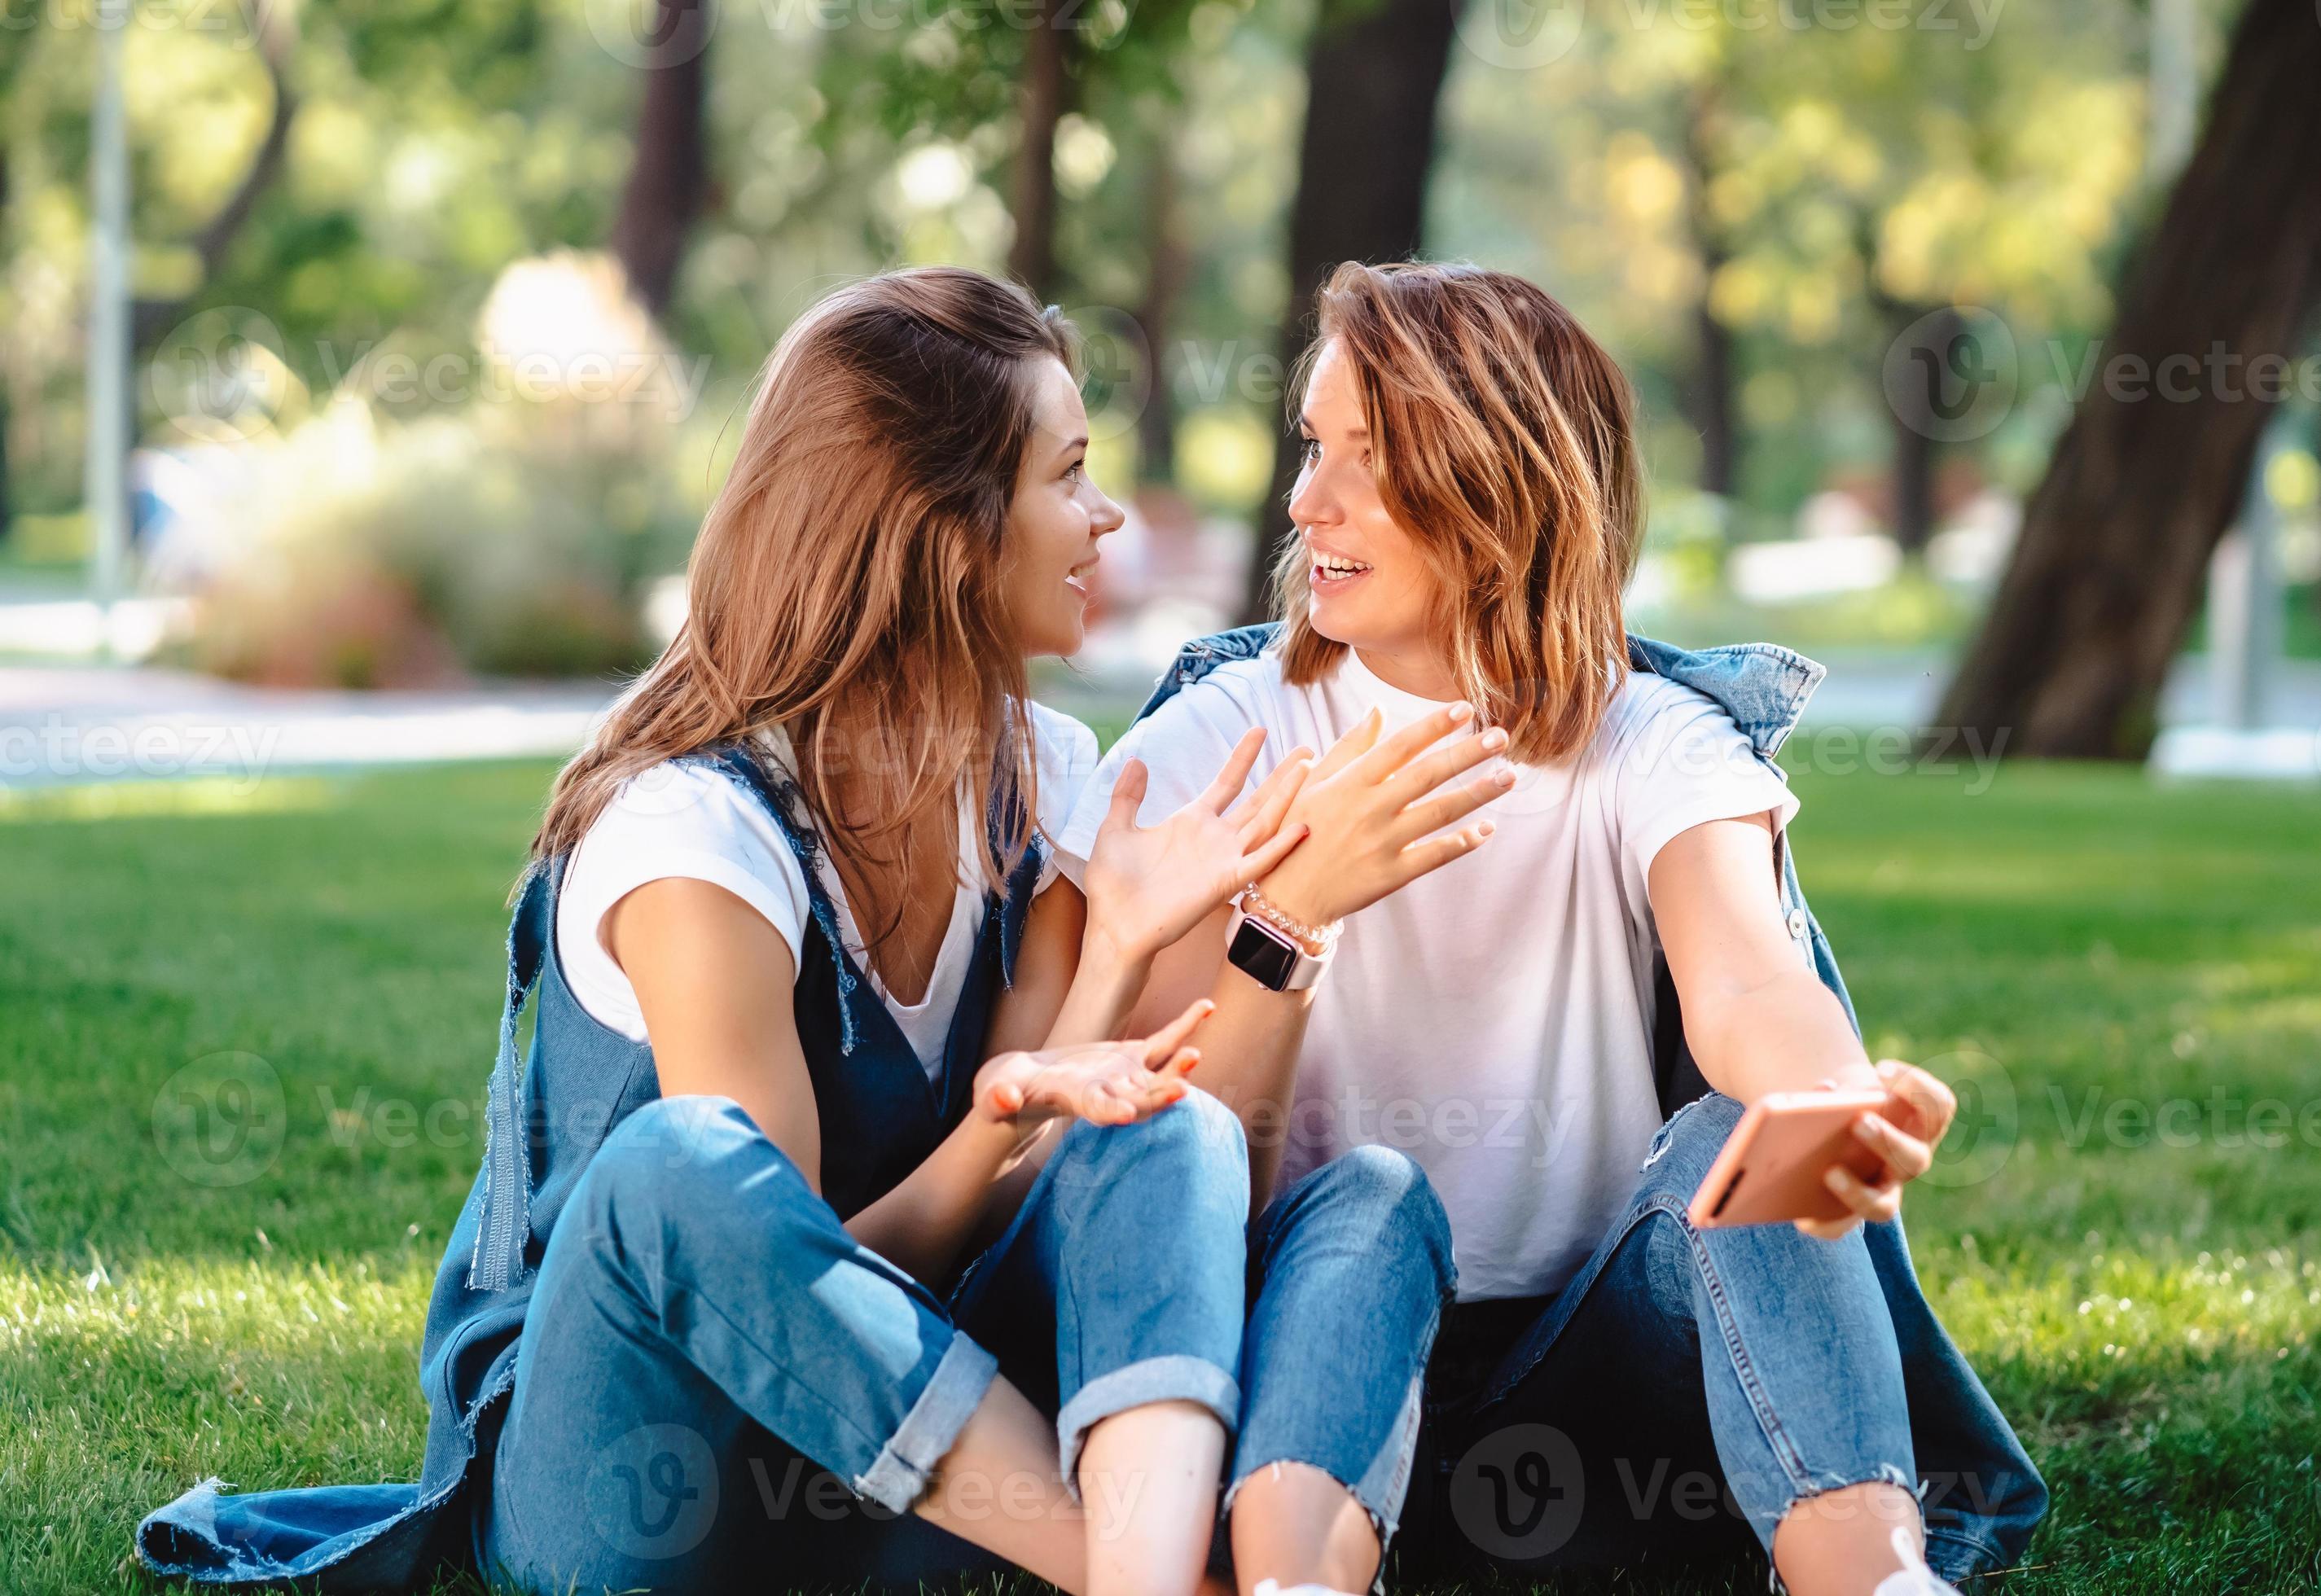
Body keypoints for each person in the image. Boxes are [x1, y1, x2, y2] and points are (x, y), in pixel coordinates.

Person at [137, 267, 1481, 1596]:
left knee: (1251, 1157)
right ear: (939, 530)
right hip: (640, 1492)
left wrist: (1120, 955)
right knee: (681, 1164)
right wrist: (992, 1126)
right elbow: (779, 1303)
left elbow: (1063, 1169)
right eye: (1067, 475)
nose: (1104, 516)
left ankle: (1181, 1568)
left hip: (912, 1488)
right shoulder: (692, 837)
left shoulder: (1041, 777)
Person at [1056, 261, 2047, 1596]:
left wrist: (1832, 1103)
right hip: (1309, 1369)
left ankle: (1873, 1580)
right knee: (1369, 1199)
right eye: (1312, 445)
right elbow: (1175, 1160)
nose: (1307, 500)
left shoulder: (1651, 738)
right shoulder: (1228, 734)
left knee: (1728, 1148)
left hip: (1590, 1394)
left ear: (1499, 483)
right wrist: (1289, 917)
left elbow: (1747, 981)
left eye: (1370, 456)